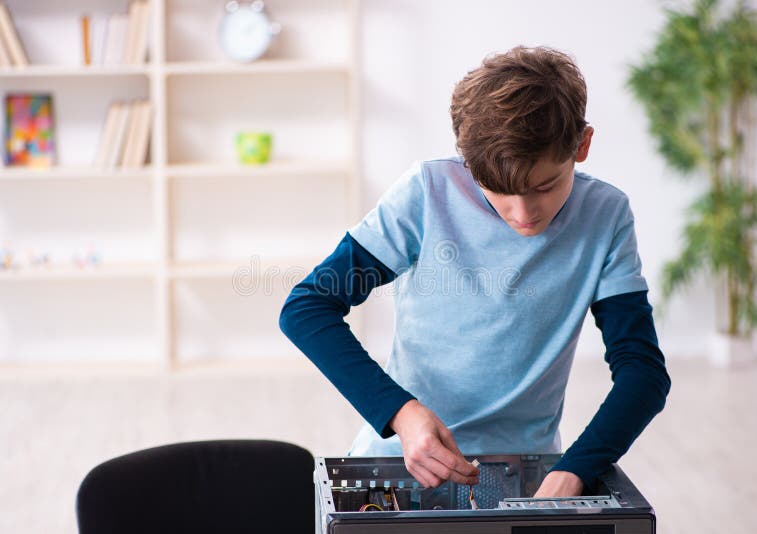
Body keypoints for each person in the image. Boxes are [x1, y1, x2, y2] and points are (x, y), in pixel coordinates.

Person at [279, 45, 671, 498]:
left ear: (581, 145)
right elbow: (307, 308)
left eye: (545, 185)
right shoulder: (427, 194)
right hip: (399, 466)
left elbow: (643, 372)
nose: (523, 212)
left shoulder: (605, 215)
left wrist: (575, 469)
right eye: (498, 189)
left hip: (529, 478)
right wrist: (401, 413)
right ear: (469, 164)